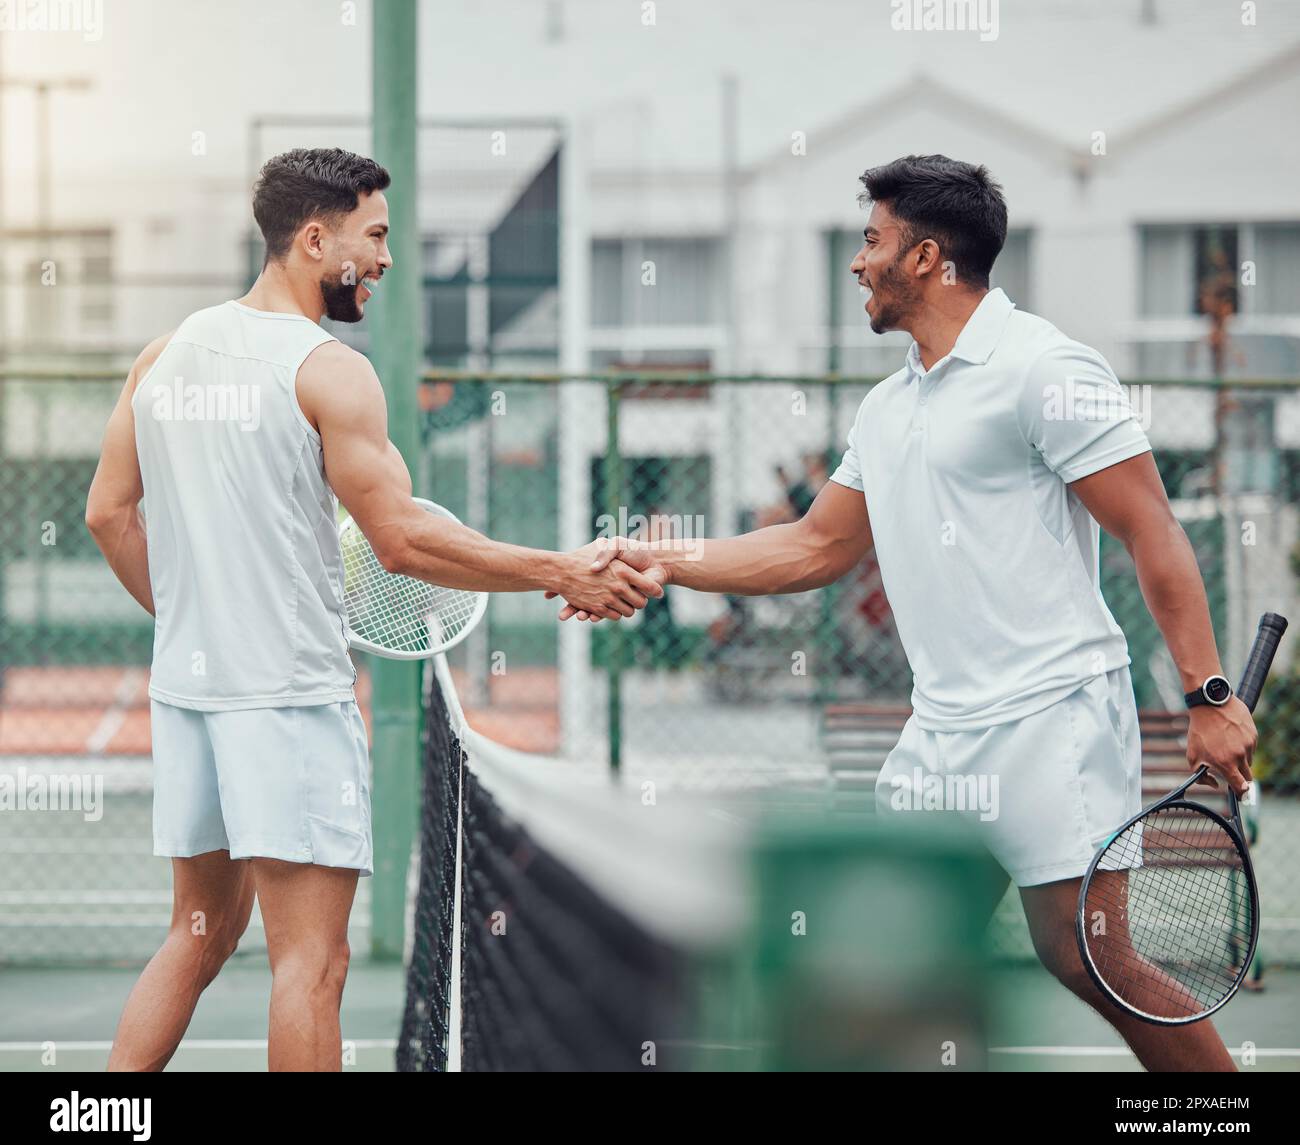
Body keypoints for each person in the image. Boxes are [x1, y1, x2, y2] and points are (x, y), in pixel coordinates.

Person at [555, 154, 1256, 1072]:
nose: (857, 263)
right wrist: (662, 558)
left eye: (871, 241)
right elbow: (813, 548)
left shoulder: (1045, 368)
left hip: (1055, 716)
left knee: (1094, 957)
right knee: (872, 957)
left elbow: (1152, 530)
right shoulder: (888, 408)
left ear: (926, 258)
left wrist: (1208, 694)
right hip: (942, 731)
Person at [85, 147, 663, 1071]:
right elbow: (400, 539)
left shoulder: (163, 357)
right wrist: (564, 568)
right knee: (311, 963)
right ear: (317, 240)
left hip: (189, 697)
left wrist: (199, 622)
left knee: (193, 936)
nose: (390, 260)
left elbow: (106, 513)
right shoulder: (329, 370)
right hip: (287, 700)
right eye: (378, 236)